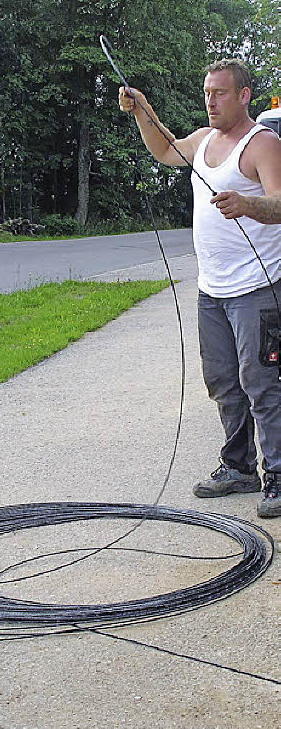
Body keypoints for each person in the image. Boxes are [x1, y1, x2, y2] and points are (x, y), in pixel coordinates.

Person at [119, 59, 281, 518]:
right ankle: (238, 468)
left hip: (258, 288)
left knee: (261, 383)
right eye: (207, 92)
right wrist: (142, 110)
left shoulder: (262, 143)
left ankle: (278, 475)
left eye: (221, 93)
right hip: (212, 290)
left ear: (245, 95)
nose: (211, 101)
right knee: (224, 382)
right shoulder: (204, 139)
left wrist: (247, 204)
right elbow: (166, 150)